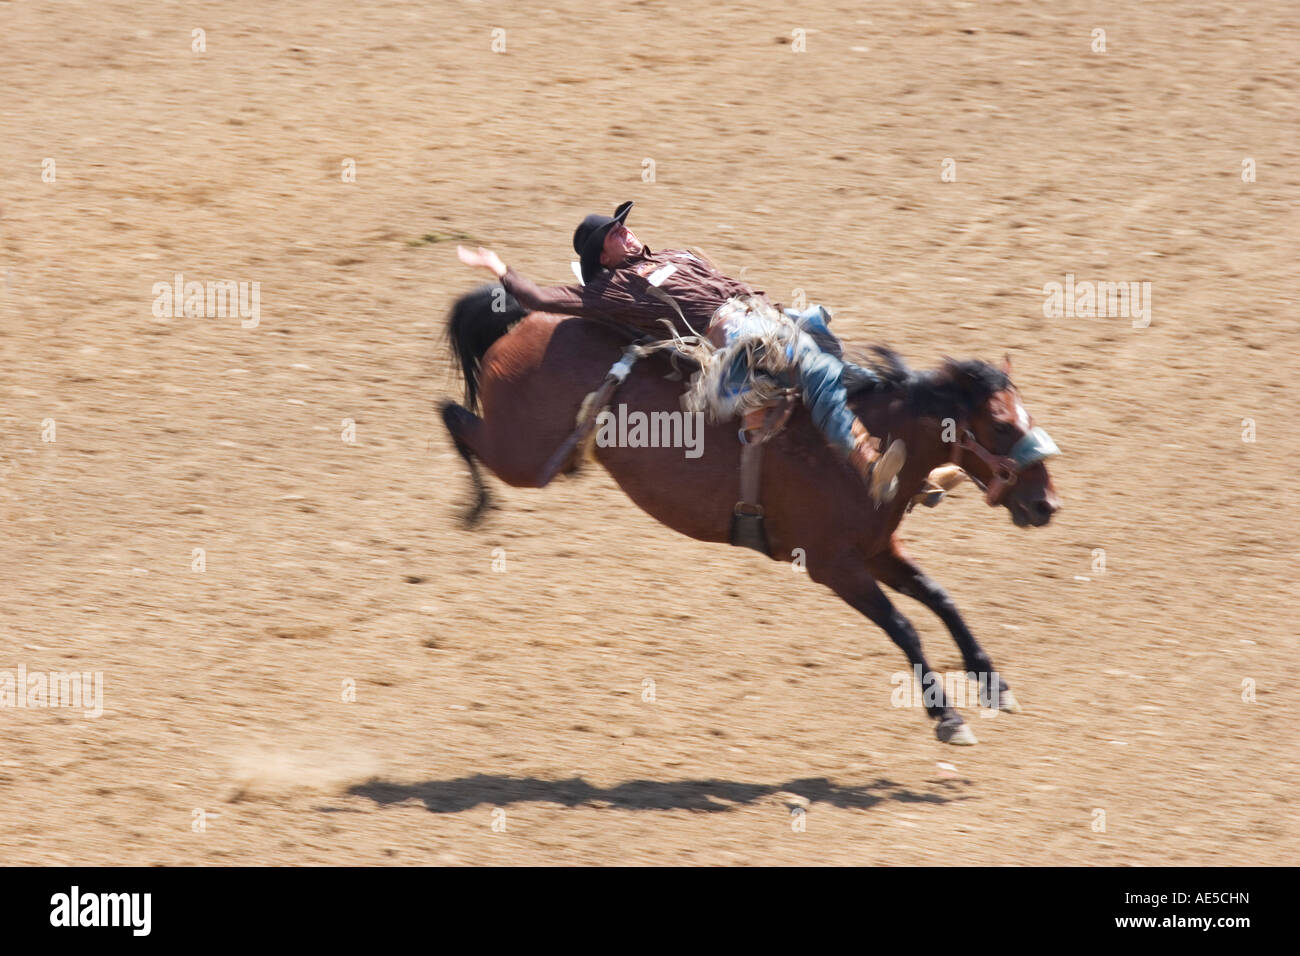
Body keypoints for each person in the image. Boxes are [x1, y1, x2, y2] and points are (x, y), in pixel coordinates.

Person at [456, 201, 906, 505]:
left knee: (848, 372)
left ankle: (909, 475)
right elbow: (540, 298)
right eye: (615, 233)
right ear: (604, 257)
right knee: (820, 372)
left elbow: (727, 283)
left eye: (624, 226)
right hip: (735, 334)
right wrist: (498, 268)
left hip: (766, 316)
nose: (627, 232)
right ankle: (865, 462)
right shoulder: (611, 289)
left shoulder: (678, 256)